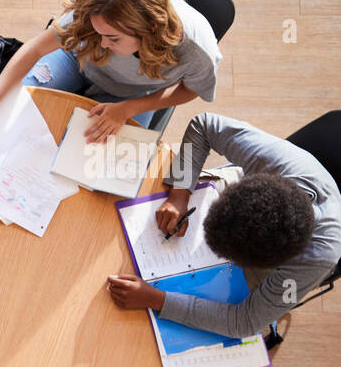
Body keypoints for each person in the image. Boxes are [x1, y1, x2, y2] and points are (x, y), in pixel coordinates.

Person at [107, 113, 341, 337]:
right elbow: (204, 124)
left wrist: (158, 300)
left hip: (284, 260)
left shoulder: (316, 258)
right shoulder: (274, 160)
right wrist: (180, 194)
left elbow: (244, 322)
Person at [0, 0, 221, 142]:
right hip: (75, 59)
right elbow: (35, 49)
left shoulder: (199, 49)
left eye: (112, 38)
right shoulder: (101, 7)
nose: (102, 44)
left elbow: (192, 90)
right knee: (13, 111)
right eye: (97, 32)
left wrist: (129, 108)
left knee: (102, 171)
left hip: (134, 95)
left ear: (151, 28)